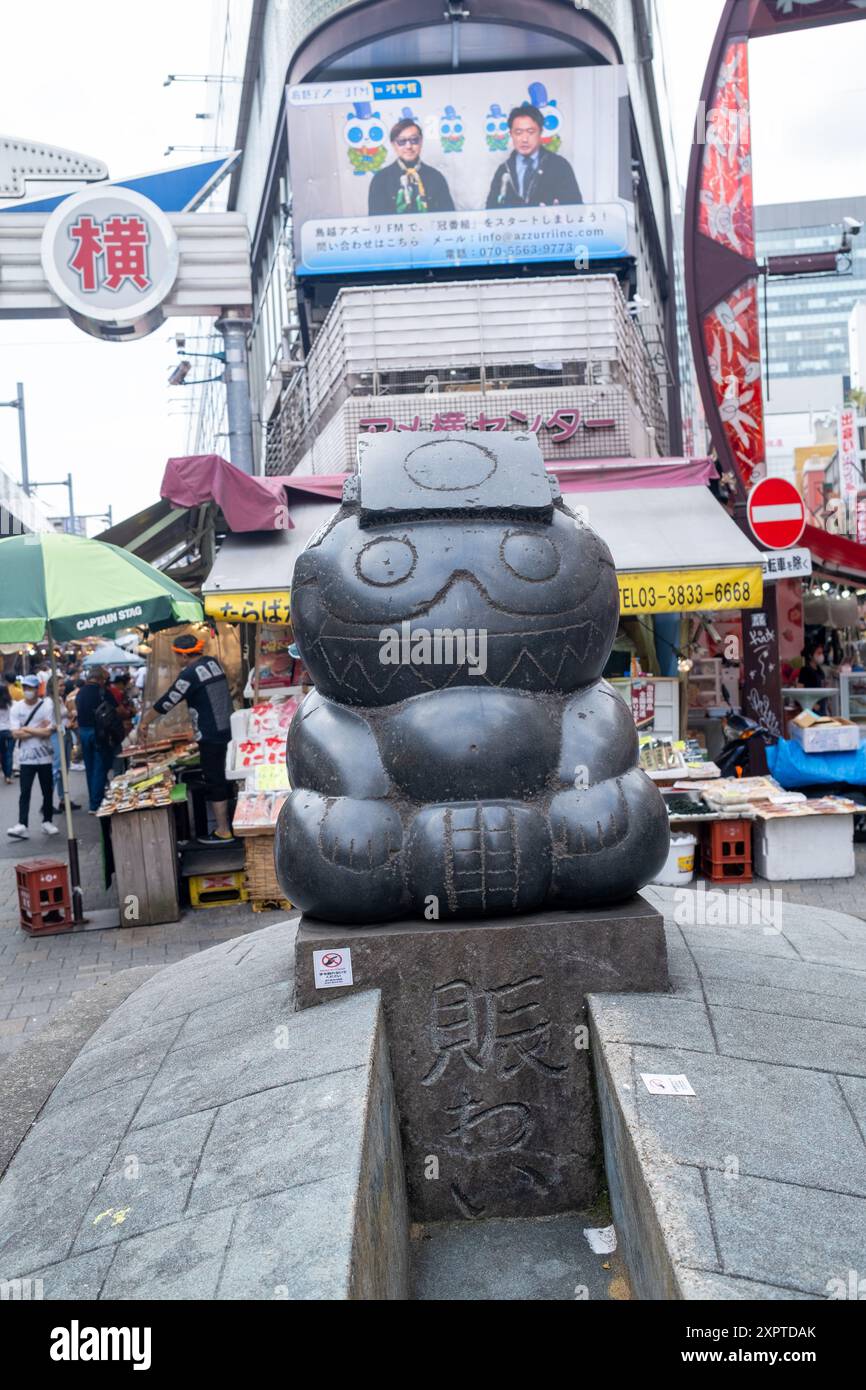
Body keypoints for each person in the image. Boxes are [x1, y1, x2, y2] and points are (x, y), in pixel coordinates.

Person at [138, 635, 235, 844]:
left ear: (183, 655)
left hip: (210, 736)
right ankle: (233, 824)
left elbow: (167, 701)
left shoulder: (189, 674)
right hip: (229, 731)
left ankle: (223, 831)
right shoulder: (213, 663)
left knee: (214, 780)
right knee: (226, 779)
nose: (176, 660)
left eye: (176, 655)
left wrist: (144, 722)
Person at [486, 103, 582, 209]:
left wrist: (560, 214)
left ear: (541, 132)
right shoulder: (503, 170)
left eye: (530, 132)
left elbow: (577, 210)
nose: (524, 139)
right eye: (518, 132)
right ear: (511, 134)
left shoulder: (559, 166)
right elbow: (490, 211)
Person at [368, 116, 455, 216]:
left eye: (414, 140)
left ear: (421, 141)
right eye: (401, 141)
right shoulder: (380, 179)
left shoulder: (436, 177)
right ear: (393, 145)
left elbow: (449, 219)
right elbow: (376, 224)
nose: (408, 146)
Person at [6, 675, 58, 839]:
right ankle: (22, 824)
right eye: (25, 688)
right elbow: (15, 734)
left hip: (45, 756)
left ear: (37, 689)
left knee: (47, 791)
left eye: (31, 688)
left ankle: (47, 821)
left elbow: (49, 731)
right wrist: (36, 729)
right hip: (26, 758)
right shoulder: (16, 708)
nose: (28, 691)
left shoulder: (46, 706)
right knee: (25, 792)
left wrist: (26, 729)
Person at [76, 667, 112, 813]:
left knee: (90, 768)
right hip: (98, 732)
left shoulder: (80, 692)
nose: (104, 682)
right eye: (104, 679)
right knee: (99, 767)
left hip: (83, 732)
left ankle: (93, 800)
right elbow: (114, 709)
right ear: (99, 679)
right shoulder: (102, 692)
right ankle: (96, 803)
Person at [0, 679, 14, 785]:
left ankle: (5, 774)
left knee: (3, 753)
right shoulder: (11, 703)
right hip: (10, 730)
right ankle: (8, 776)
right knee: (9, 753)